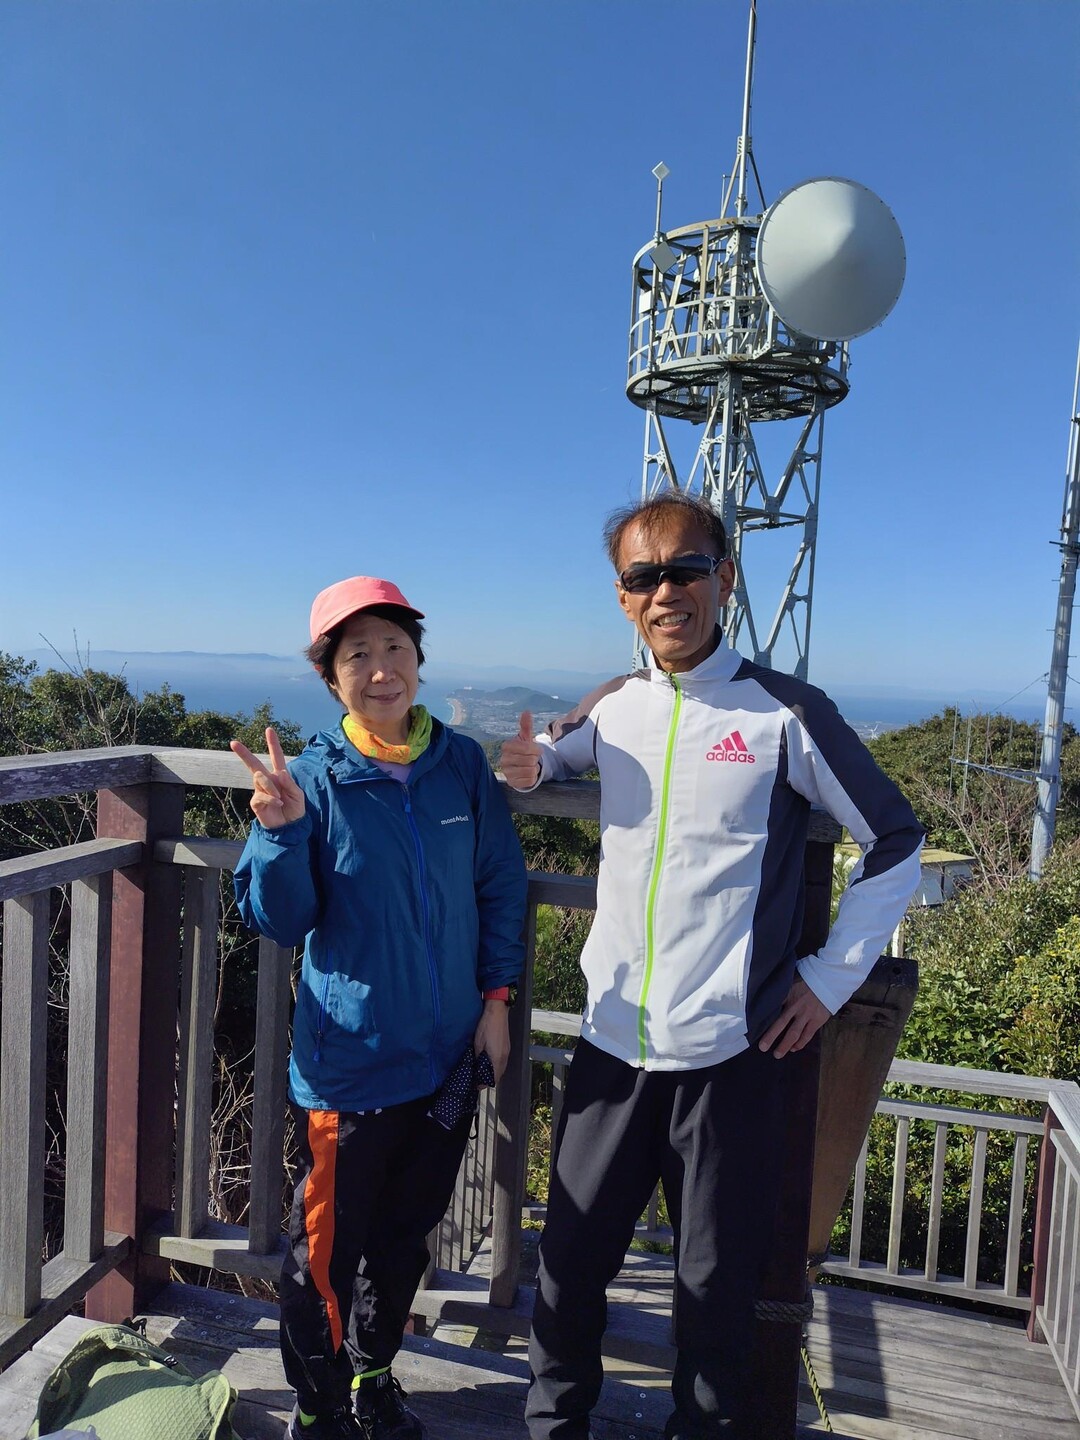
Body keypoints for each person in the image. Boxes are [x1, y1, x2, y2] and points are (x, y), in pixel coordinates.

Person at [500, 493, 924, 1440]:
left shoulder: (785, 713)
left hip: (731, 1061)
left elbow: (894, 839)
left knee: (712, 1298)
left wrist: (827, 980)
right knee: (567, 1273)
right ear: (622, 600)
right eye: (642, 578)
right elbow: (550, 760)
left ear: (725, 578)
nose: (665, 592)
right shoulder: (614, 707)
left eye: (685, 569)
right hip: (611, 1047)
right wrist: (534, 765)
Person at [232, 576, 527, 1440]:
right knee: (322, 1254)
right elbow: (278, 919)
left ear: (419, 661)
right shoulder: (316, 780)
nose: (380, 667)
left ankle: (372, 1375)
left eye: (394, 646)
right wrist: (278, 832)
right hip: (349, 1067)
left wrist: (497, 1001)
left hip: (445, 1058)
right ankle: (317, 1404)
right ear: (332, 678)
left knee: (405, 1239)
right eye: (356, 653)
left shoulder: (460, 765)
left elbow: (499, 886)